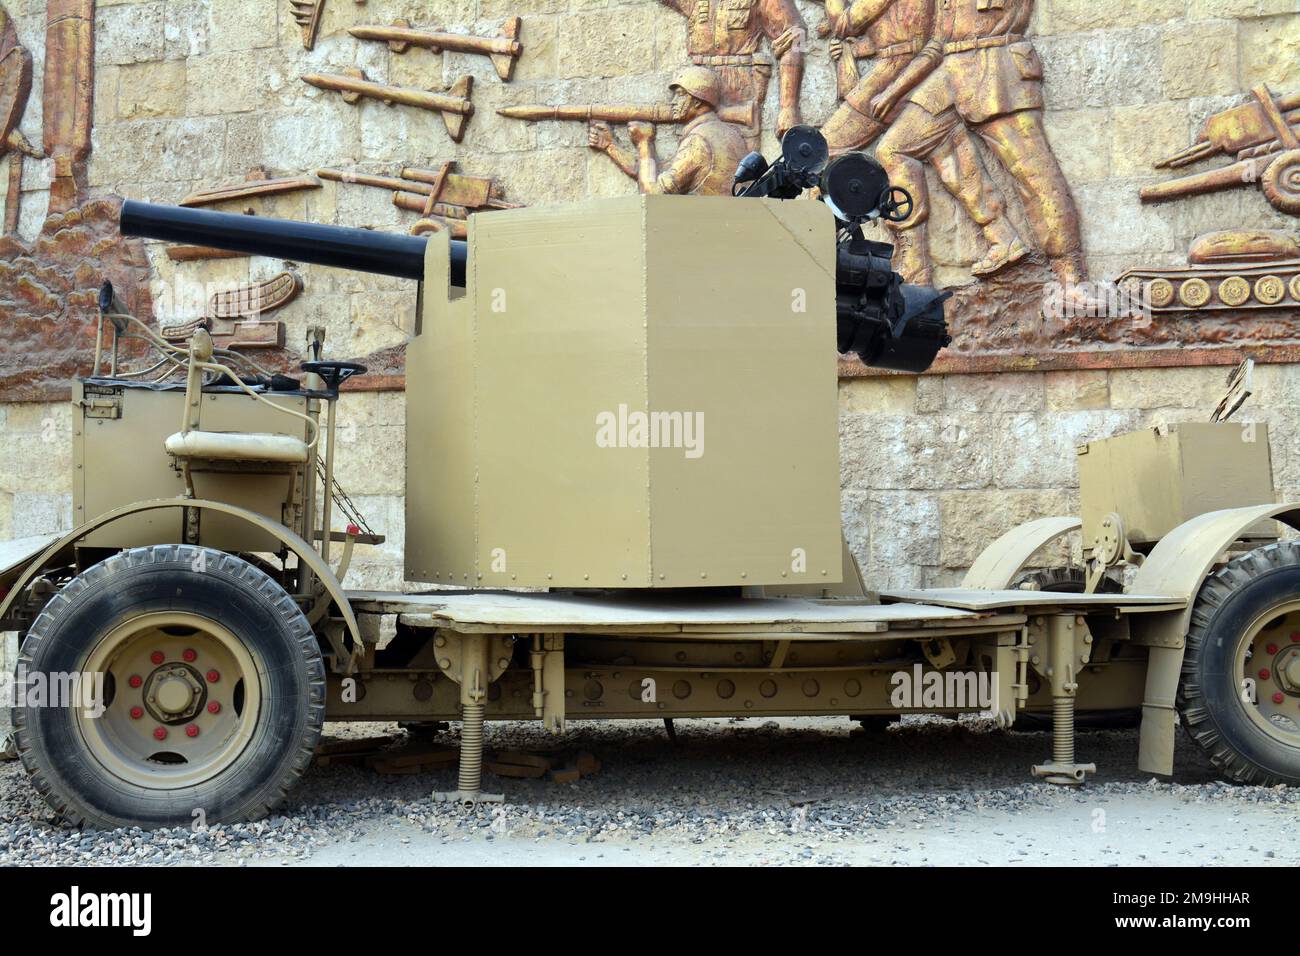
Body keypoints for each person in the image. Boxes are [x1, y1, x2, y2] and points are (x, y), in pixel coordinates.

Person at [588, 67, 750, 197]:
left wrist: (644, 143)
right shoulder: (727, 133)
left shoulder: (698, 141)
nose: (673, 102)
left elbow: (653, 196)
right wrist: (610, 146)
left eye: (680, 96)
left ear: (698, 101)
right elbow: (653, 171)